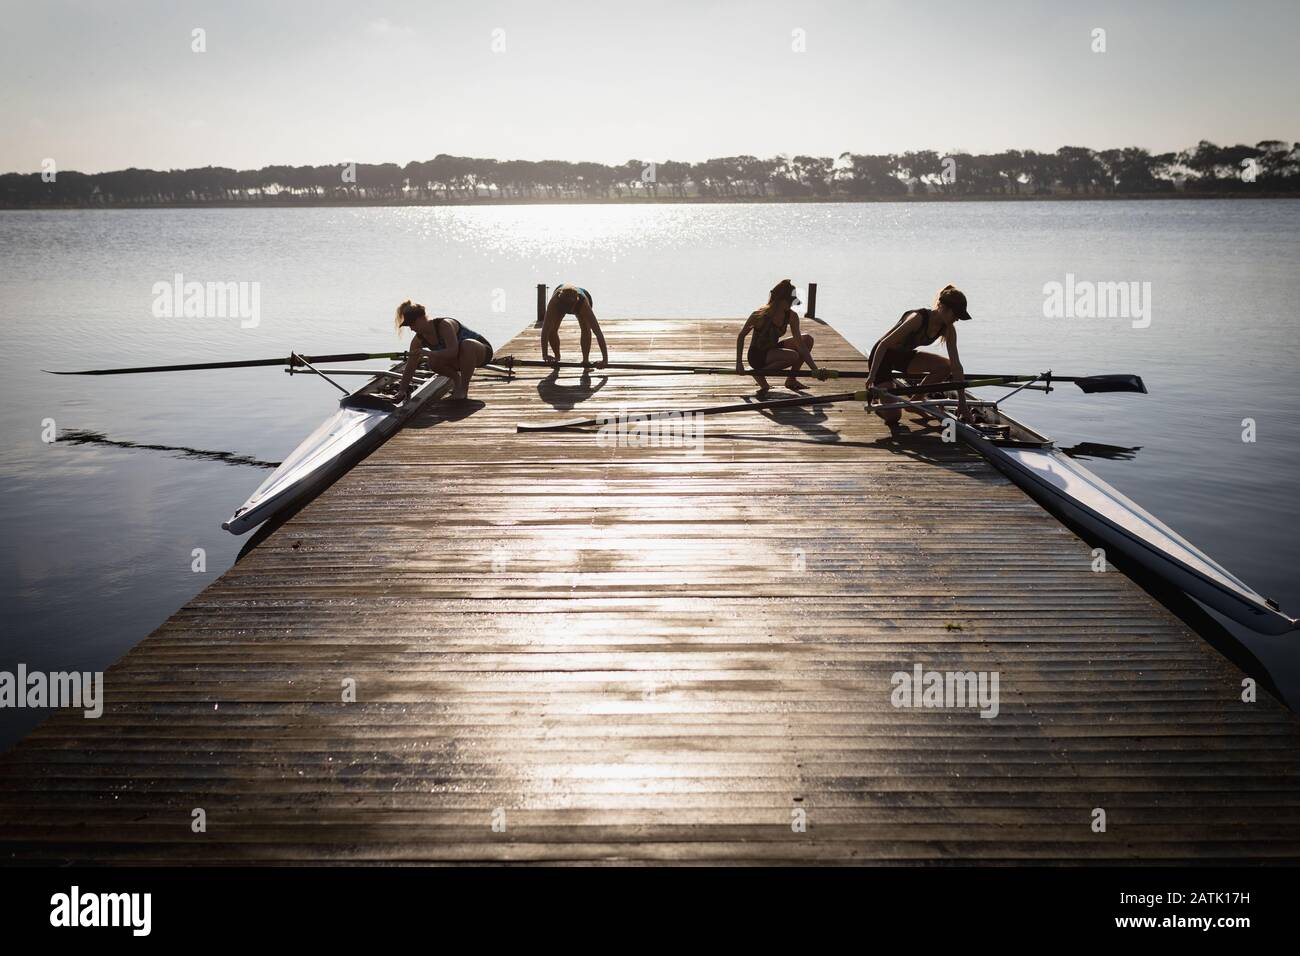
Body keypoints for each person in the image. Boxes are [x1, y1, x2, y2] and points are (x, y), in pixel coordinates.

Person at [865, 284, 972, 434]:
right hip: (882, 356)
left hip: (904, 357)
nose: (957, 320)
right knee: (894, 417)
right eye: (956, 315)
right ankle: (879, 403)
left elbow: (956, 366)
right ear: (943, 307)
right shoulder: (917, 318)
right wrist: (872, 376)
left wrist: (962, 403)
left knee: (946, 367)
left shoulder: (949, 329)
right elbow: (883, 345)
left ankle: (914, 402)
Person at [393, 300, 494, 402]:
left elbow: (453, 351)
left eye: (413, 324)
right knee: (432, 361)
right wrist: (402, 390)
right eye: (409, 325)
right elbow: (411, 366)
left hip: (481, 352)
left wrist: (428, 353)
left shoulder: (444, 325)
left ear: (422, 318)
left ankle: (463, 389)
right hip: (458, 358)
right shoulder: (418, 340)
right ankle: (457, 380)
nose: (411, 328)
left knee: (467, 344)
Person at [735, 279, 818, 393]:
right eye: (790, 302)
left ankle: (791, 379)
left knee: (807, 339)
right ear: (782, 300)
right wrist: (739, 363)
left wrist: (815, 370)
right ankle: (759, 374)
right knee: (793, 356)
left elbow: (800, 345)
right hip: (757, 355)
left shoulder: (791, 316)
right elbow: (741, 336)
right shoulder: (759, 316)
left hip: (772, 349)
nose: (792, 305)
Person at [541, 284, 609, 367]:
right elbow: (545, 330)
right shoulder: (555, 302)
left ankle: (585, 360)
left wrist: (605, 360)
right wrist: (545, 355)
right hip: (561, 300)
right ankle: (557, 357)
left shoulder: (583, 303)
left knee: (586, 329)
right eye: (565, 307)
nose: (568, 310)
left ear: (575, 302)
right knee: (552, 329)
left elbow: (598, 332)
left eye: (570, 307)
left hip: (582, 298)